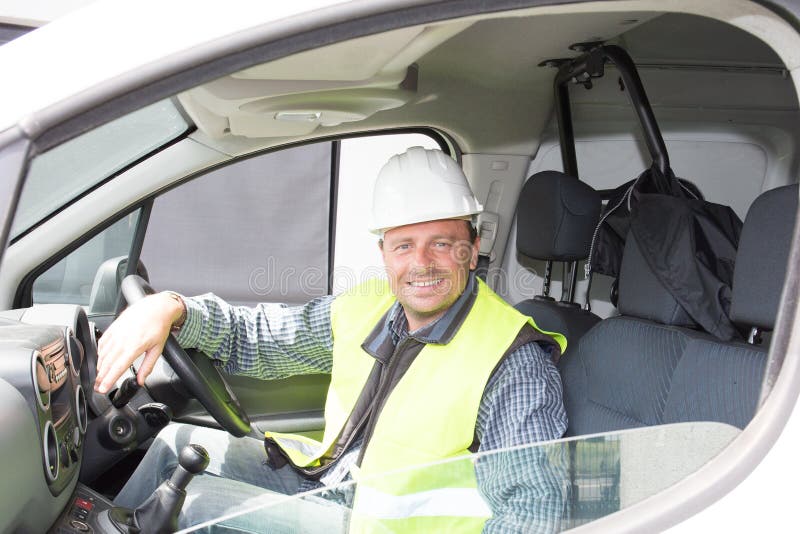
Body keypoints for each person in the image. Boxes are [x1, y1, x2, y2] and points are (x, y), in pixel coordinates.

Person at [95, 146, 568, 532]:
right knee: (172, 442)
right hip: (331, 488)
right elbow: (259, 338)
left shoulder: (513, 362)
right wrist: (172, 307)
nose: (421, 263)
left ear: (473, 247)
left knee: (193, 506)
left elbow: (533, 515)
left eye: (441, 243)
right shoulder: (369, 305)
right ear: (383, 252)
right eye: (404, 245)